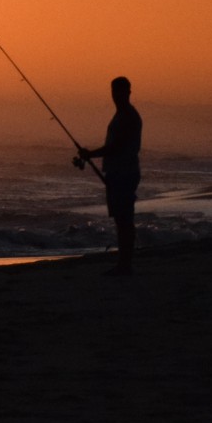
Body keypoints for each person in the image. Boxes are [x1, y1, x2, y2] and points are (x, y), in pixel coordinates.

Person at [75, 76, 142, 276]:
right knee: (122, 220)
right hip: (118, 172)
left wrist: (91, 154)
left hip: (124, 173)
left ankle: (125, 265)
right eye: (114, 91)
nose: (116, 95)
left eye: (120, 91)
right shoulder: (121, 115)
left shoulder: (128, 116)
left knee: (124, 220)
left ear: (128, 92)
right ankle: (124, 263)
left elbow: (116, 147)